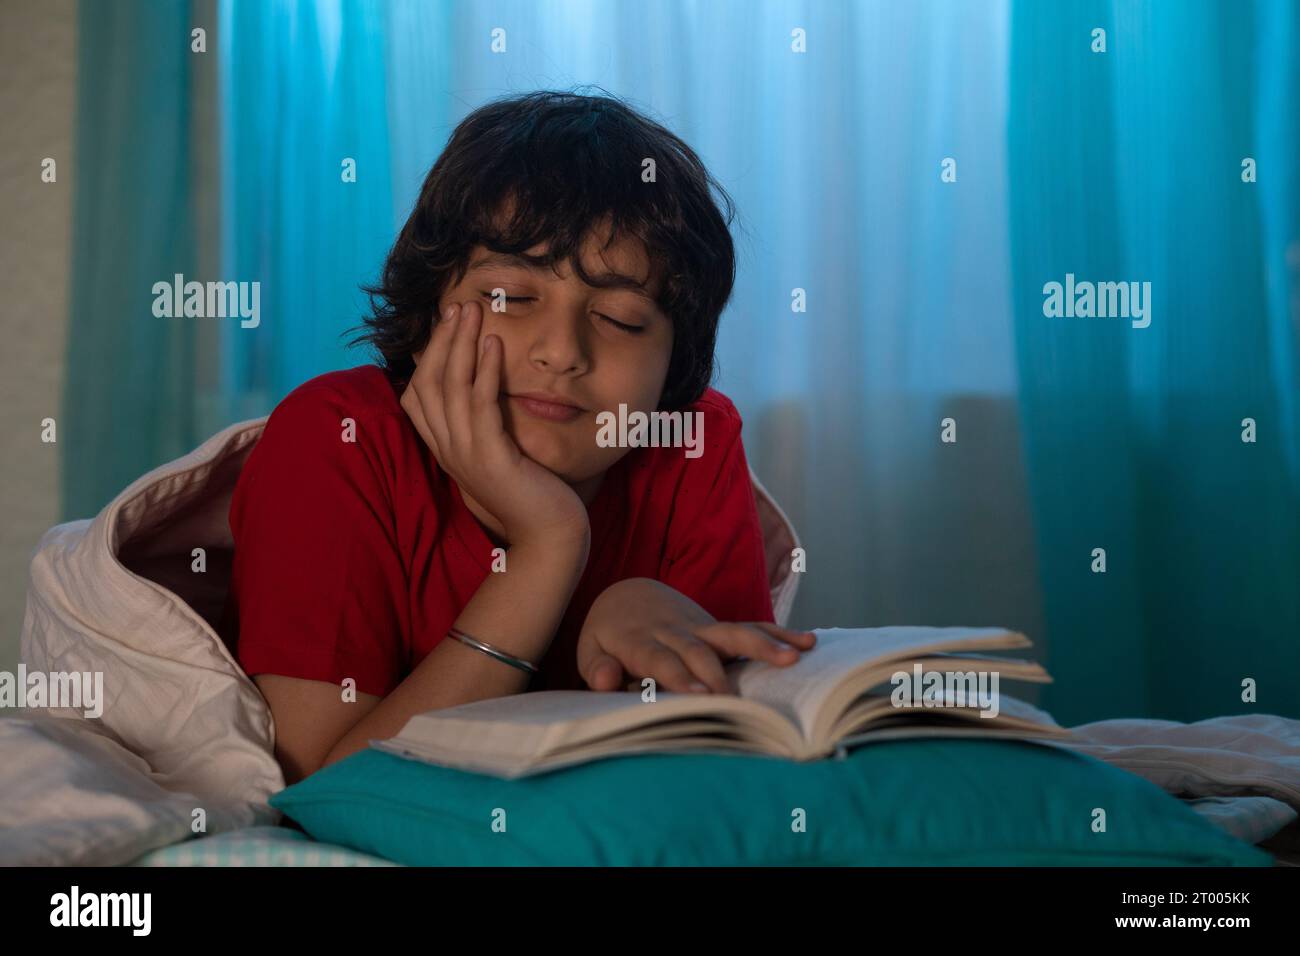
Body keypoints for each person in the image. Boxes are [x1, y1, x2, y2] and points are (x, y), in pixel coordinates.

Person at [224, 90, 815, 785]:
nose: (561, 351)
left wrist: (642, 637)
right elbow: (322, 787)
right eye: (511, 298)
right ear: (426, 311)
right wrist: (549, 544)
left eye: (623, 319)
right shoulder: (337, 439)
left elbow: (721, 762)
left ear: (674, 365)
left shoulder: (692, 442)